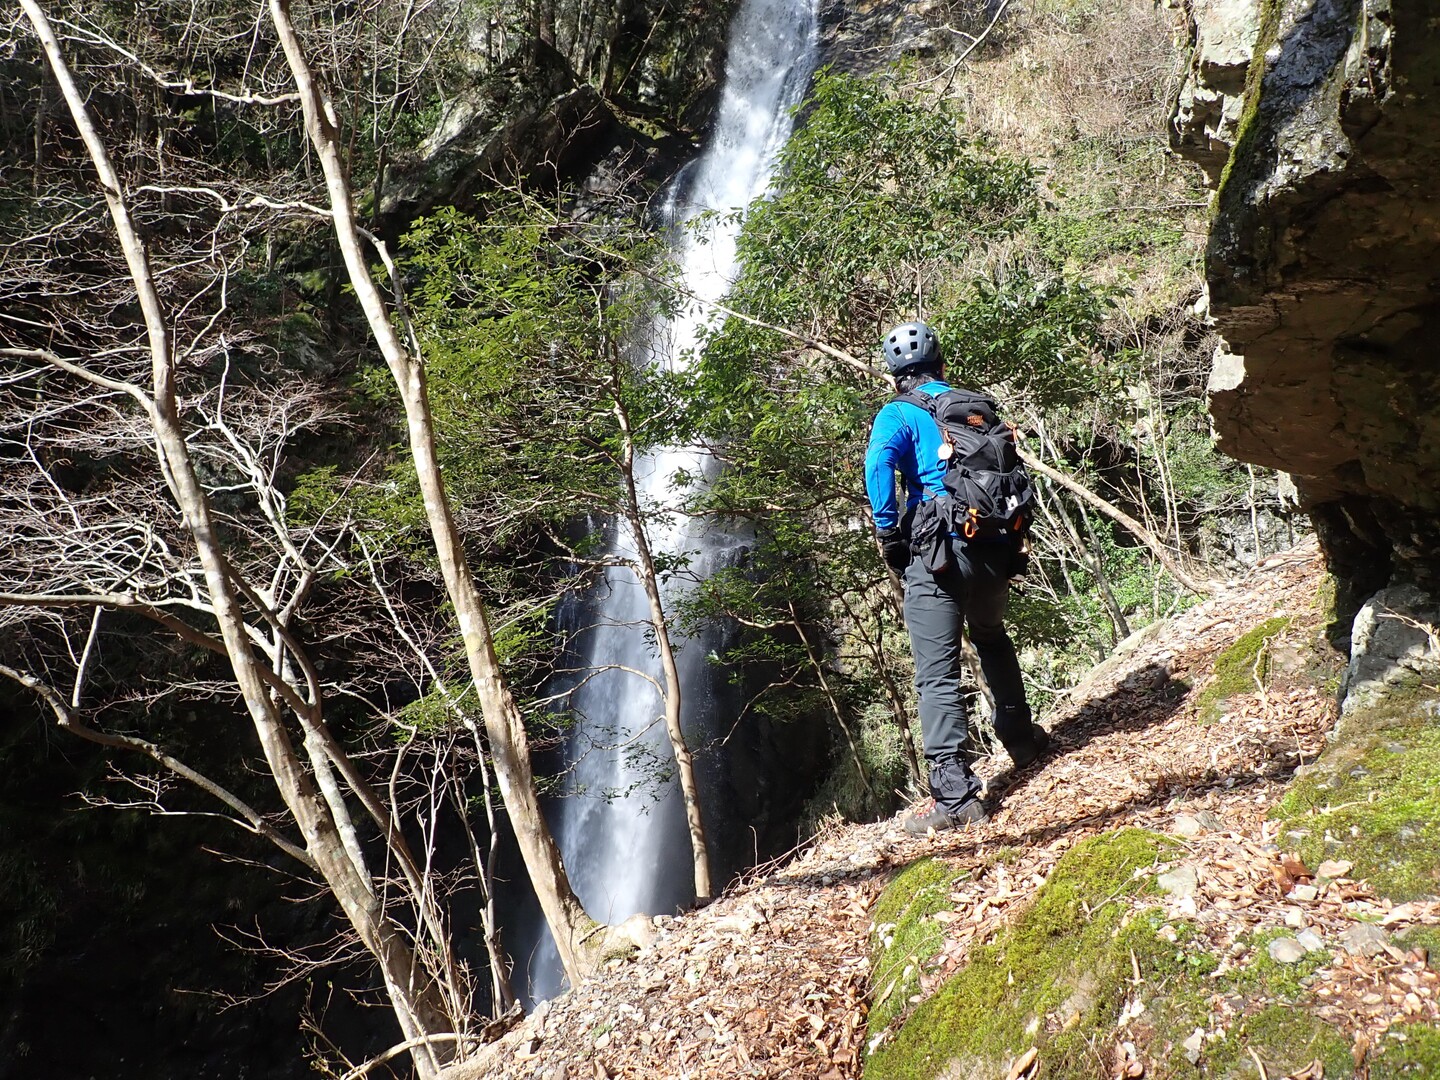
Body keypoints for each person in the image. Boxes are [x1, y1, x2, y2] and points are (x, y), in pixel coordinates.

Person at [864, 320, 1049, 833]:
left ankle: (955, 797)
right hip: (995, 544)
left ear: (895, 377)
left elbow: (878, 467)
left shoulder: (898, 412)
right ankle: (1022, 738)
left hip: (938, 552)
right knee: (991, 637)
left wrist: (889, 535)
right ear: (940, 367)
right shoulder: (977, 406)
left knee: (937, 671)